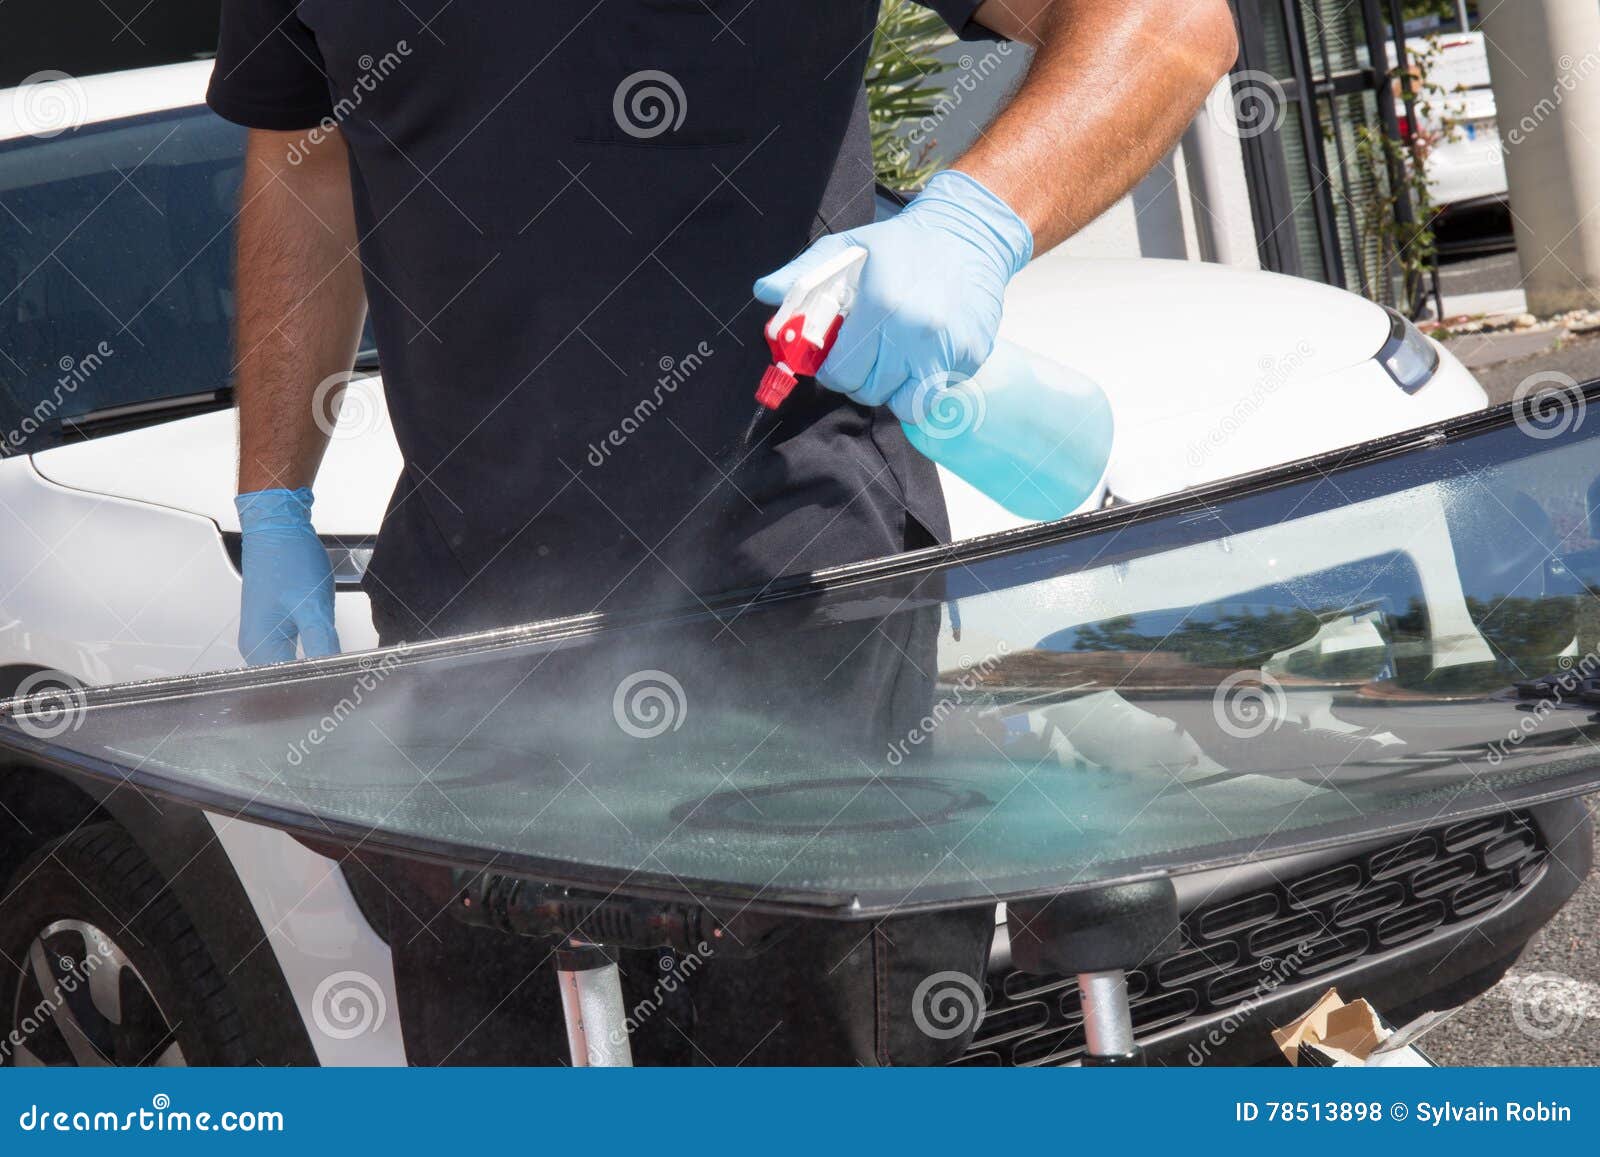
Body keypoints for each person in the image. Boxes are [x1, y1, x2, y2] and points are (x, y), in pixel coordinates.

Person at [208, 0, 1237, 1063]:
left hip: (792, 604)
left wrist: (972, 221)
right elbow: (304, 163)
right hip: (472, 640)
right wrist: (273, 497)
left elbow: (1165, 23)